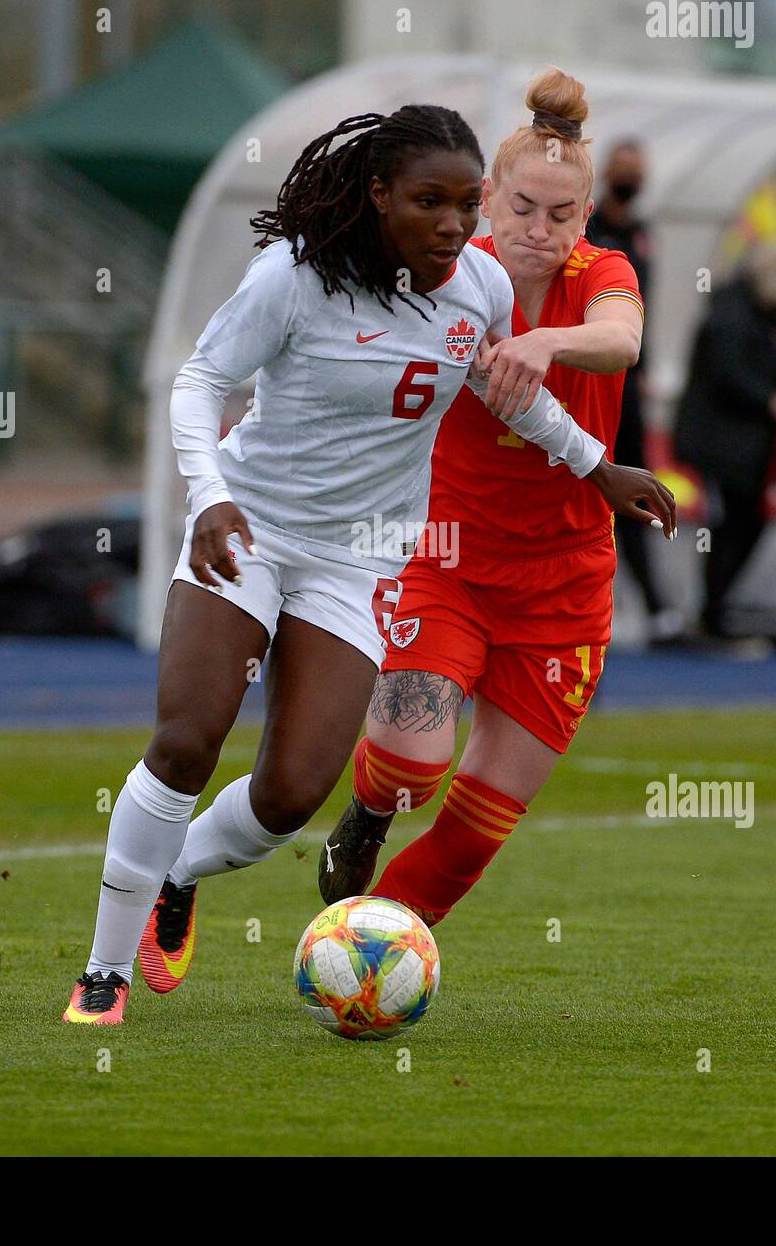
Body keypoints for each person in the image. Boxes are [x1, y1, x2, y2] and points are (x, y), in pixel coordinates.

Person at [63, 101, 676, 1023]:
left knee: (291, 793)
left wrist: (599, 467)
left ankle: (179, 875)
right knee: (189, 739)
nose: (457, 226)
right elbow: (200, 381)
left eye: (468, 205)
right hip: (253, 529)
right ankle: (102, 974)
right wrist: (209, 497)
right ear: (380, 194)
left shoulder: (478, 288)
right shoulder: (294, 277)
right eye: (435, 202)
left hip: (357, 562)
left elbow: (503, 395)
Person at [313, 68, 675, 926]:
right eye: (519, 209)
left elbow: (622, 341)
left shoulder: (604, 275)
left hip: (564, 582)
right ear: (487, 199)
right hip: (445, 557)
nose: (538, 231)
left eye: (560, 215)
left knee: (475, 835)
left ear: (585, 219)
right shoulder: (452, 272)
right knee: (409, 766)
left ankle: (366, 955)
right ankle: (366, 813)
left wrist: (546, 342)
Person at [673, 239, 776, 639]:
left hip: (749, 447)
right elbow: (726, 374)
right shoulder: (731, 314)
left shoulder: (772, 317)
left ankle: (718, 608)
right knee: (726, 524)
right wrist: (772, 401)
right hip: (717, 444)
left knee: (747, 520)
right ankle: (710, 613)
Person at [586, 141, 680, 643]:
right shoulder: (586, 226)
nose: (631, 181)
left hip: (629, 386)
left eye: (637, 173)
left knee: (632, 486)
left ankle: (655, 607)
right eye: (626, 172)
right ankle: (598, 603)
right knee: (587, 482)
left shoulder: (642, 234)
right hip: (587, 382)